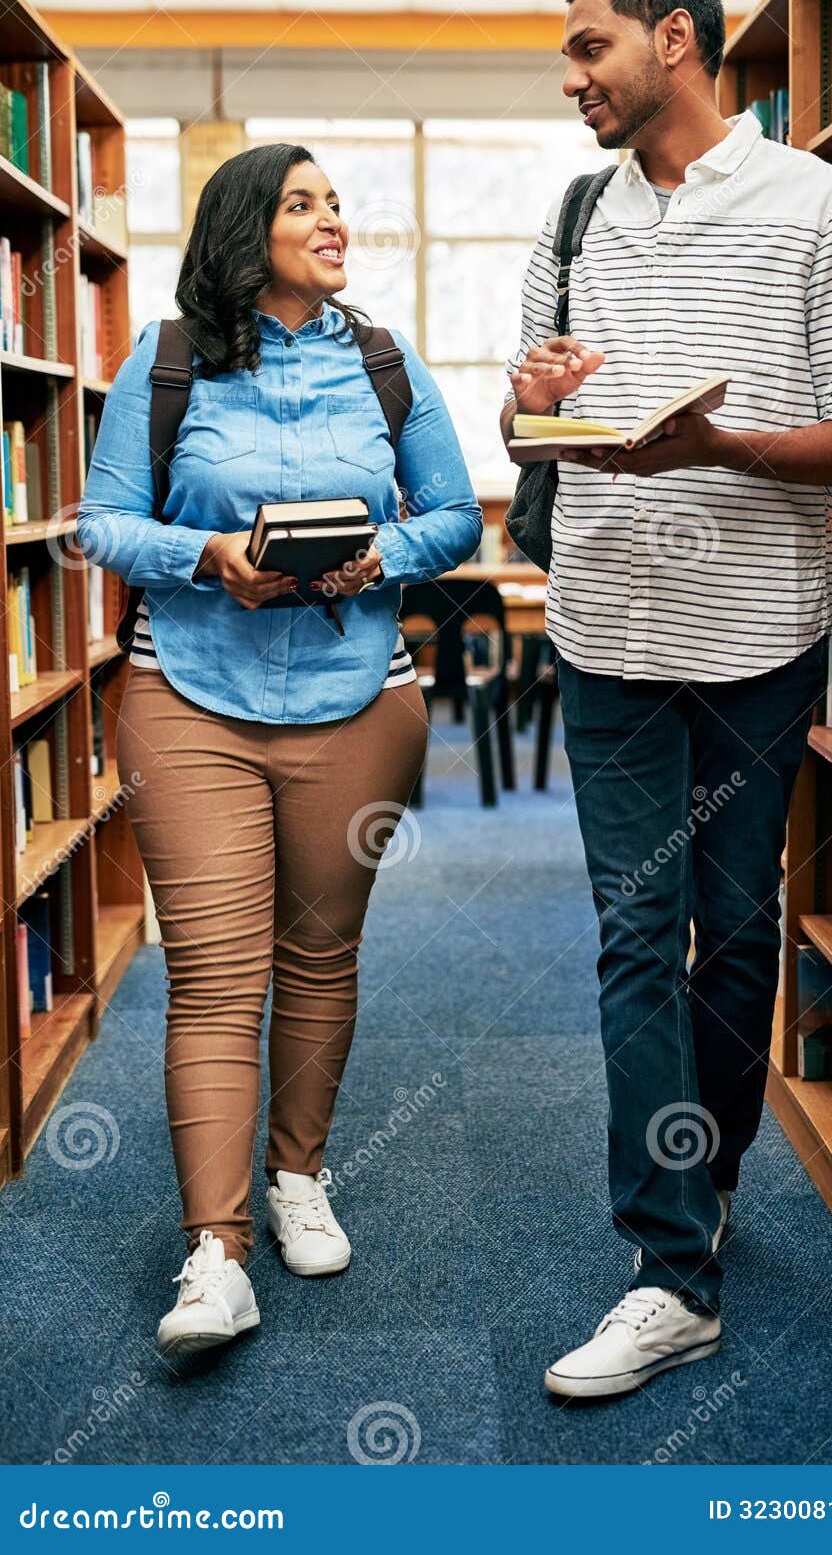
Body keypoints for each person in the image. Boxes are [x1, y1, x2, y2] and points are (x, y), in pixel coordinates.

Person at [502, 0, 832, 1399]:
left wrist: (720, 444)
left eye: (591, 47)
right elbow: (520, 420)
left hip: (757, 636)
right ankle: (671, 1269)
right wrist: (532, 404)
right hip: (605, 626)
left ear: (676, 40)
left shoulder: (825, 206)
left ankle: (708, 1168)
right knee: (633, 933)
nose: (573, 78)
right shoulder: (572, 213)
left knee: (738, 935)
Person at [77, 142, 481, 1359]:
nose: (333, 220)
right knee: (212, 974)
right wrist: (208, 558)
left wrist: (381, 560)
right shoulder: (166, 359)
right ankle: (217, 1250)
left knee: (319, 954)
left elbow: (455, 513)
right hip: (188, 694)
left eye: (339, 203)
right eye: (304, 203)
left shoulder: (384, 360)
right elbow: (101, 521)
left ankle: (299, 1172)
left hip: (359, 695)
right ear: (245, 229)